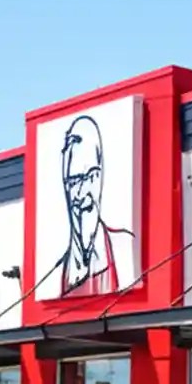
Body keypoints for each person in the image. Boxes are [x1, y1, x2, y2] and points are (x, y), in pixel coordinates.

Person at [58, 116, 133, 297]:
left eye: (91, 176)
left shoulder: (125, 247)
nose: (81, 193)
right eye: (74, 181)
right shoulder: (56, 274)